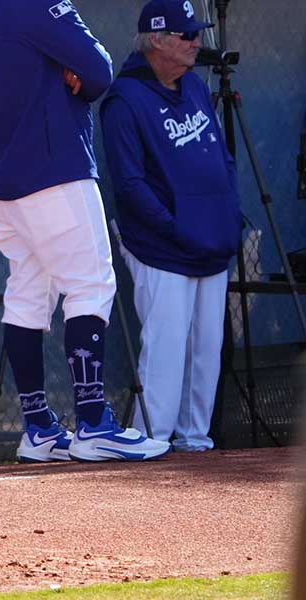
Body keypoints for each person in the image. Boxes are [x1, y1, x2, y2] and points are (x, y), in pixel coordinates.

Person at [0, 0, 170, 462]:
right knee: (91, 284)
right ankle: (93, 420)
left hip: (3, 181)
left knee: (28, 291)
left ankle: (39, 427)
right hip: (53, 170)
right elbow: (98, 69)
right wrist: (72, 70)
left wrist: (68, 68)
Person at [100, 0, 238, 452]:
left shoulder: (195, 87)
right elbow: (130, 185)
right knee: (165, 347)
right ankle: (152, 440)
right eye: (187, 35)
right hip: (161, 246)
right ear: (157, 40)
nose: (197, 42)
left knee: (206, 349)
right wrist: (177, 229)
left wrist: (224, 215)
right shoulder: (125, 99)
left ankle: (194, 438)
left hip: (211, 243)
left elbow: (221, 156)